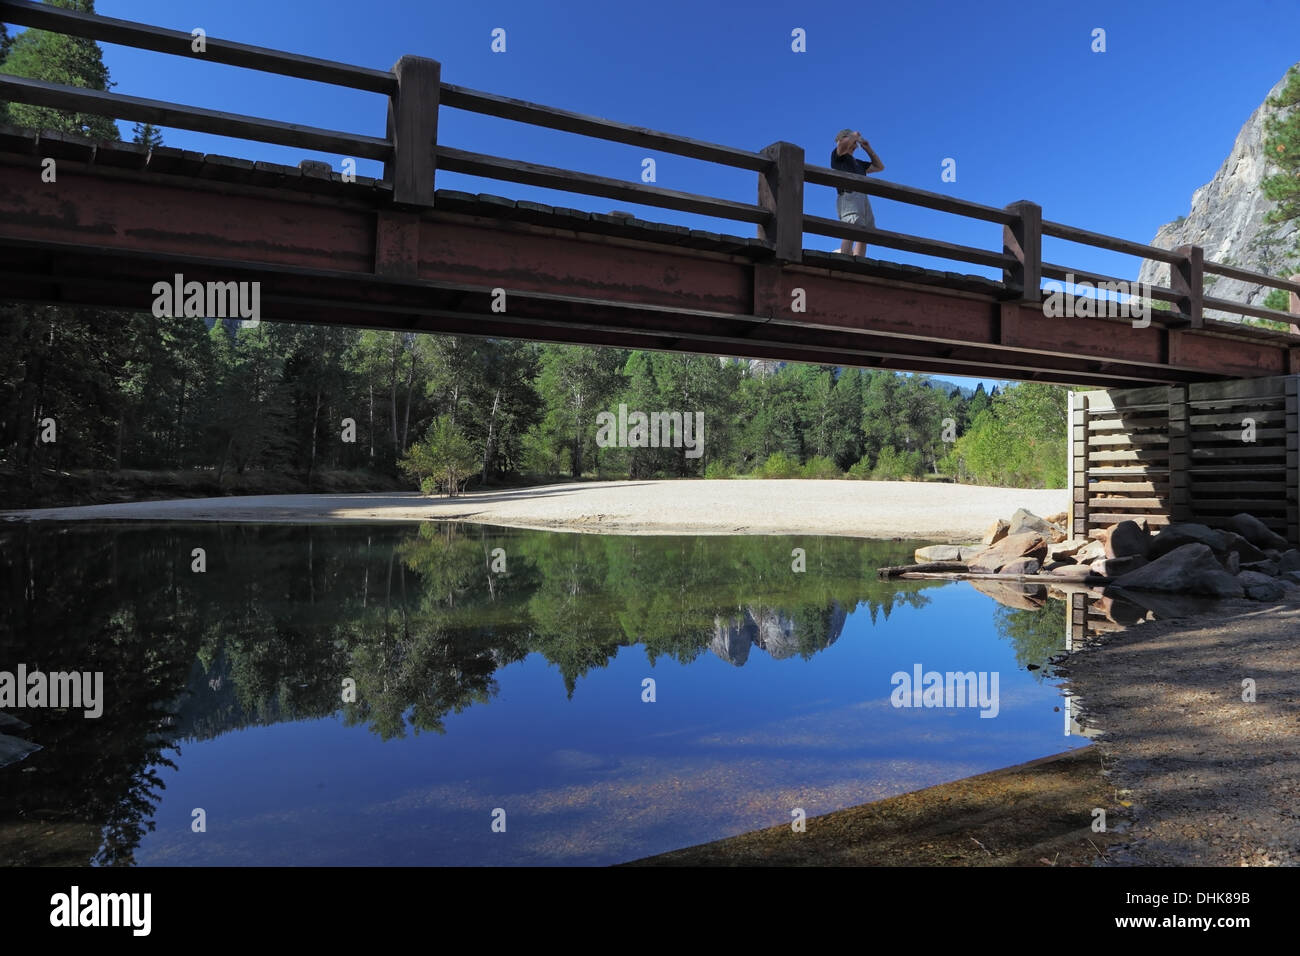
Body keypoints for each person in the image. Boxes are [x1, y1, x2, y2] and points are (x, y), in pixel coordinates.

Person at [831, 128, 884, 257]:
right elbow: (842, 145)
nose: (854, 145)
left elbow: (879, 167)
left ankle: (859, 259)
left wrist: (868, 149)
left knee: (865, 230)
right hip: (848, 194)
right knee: (851, 224)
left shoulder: (859, 163)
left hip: (862, 196)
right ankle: (844, 257)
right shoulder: (838, 157)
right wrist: (853, 135)